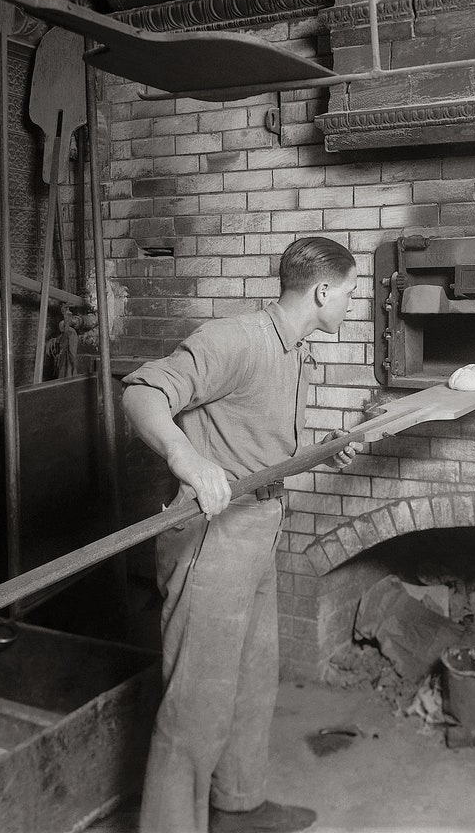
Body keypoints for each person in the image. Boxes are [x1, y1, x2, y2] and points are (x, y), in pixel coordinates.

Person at [122, 237, 361, 833]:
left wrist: (319, 452)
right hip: (214, 538)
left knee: (253, 684)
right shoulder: (236, 341)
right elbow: (142, 391)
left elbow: (252, 443)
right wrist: (185, 457)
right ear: (323, 292)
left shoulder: (293, 349)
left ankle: (238, 806)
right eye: (350, 293)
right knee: (195, 706)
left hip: (259, 528)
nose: (351, 305)